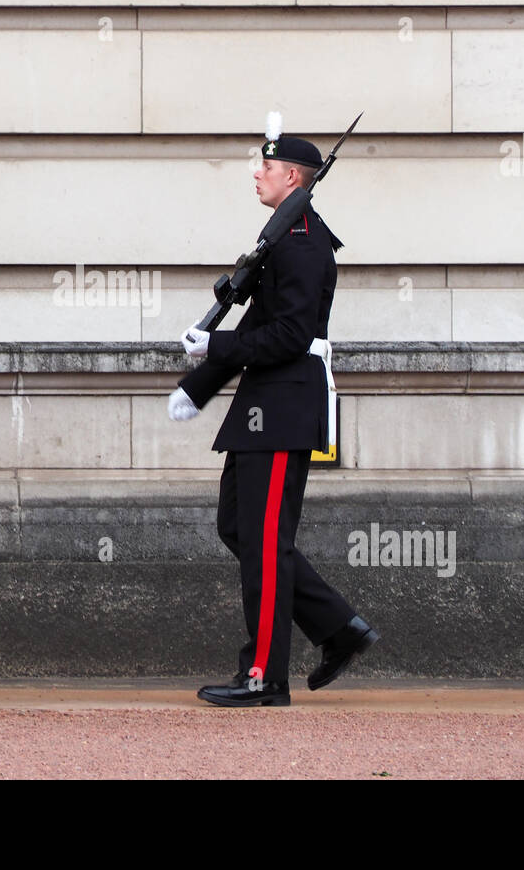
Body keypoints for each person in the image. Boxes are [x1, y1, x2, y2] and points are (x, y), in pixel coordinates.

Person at [168, 121, 378, 707]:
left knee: (262, 541)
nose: (255, 174)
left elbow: (287, 334)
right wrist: (200, 383)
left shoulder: (305, 242)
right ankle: (339, 627)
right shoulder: (284, 238)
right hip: (266, 401)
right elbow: (258, 323)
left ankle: (263, 676)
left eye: (265, 167)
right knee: (240, 528)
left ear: (292, 177)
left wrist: (215, 349)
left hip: (284, 402)